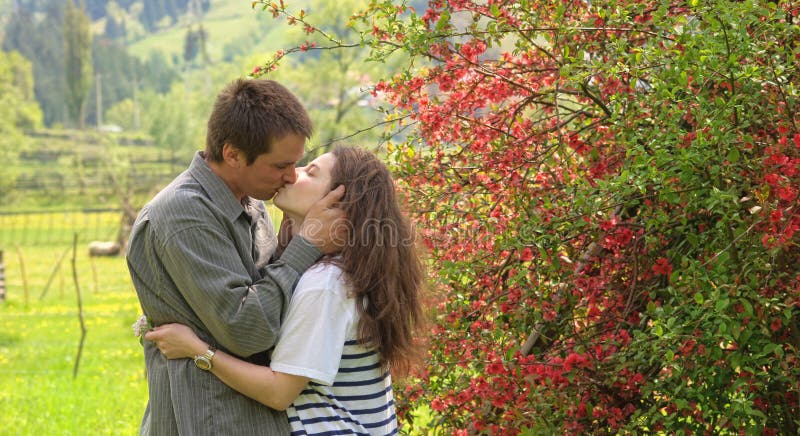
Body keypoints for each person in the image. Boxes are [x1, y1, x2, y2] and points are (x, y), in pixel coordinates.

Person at [145, 146, 426, 435]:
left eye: (310, 172)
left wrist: (196, 349)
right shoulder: (339, 270)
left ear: (338, 203)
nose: (293, 174)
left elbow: (279, 392)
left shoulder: (326, 283)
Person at [127, 79, 345, 435]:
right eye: (280, 166)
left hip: (247, 413)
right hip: (209, 417)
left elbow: (273, 305)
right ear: (233, 154)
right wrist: (306, 244)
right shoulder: (184, 215)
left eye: (297, 164)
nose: (290, 176)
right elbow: (248, 330)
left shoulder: (252, 201)